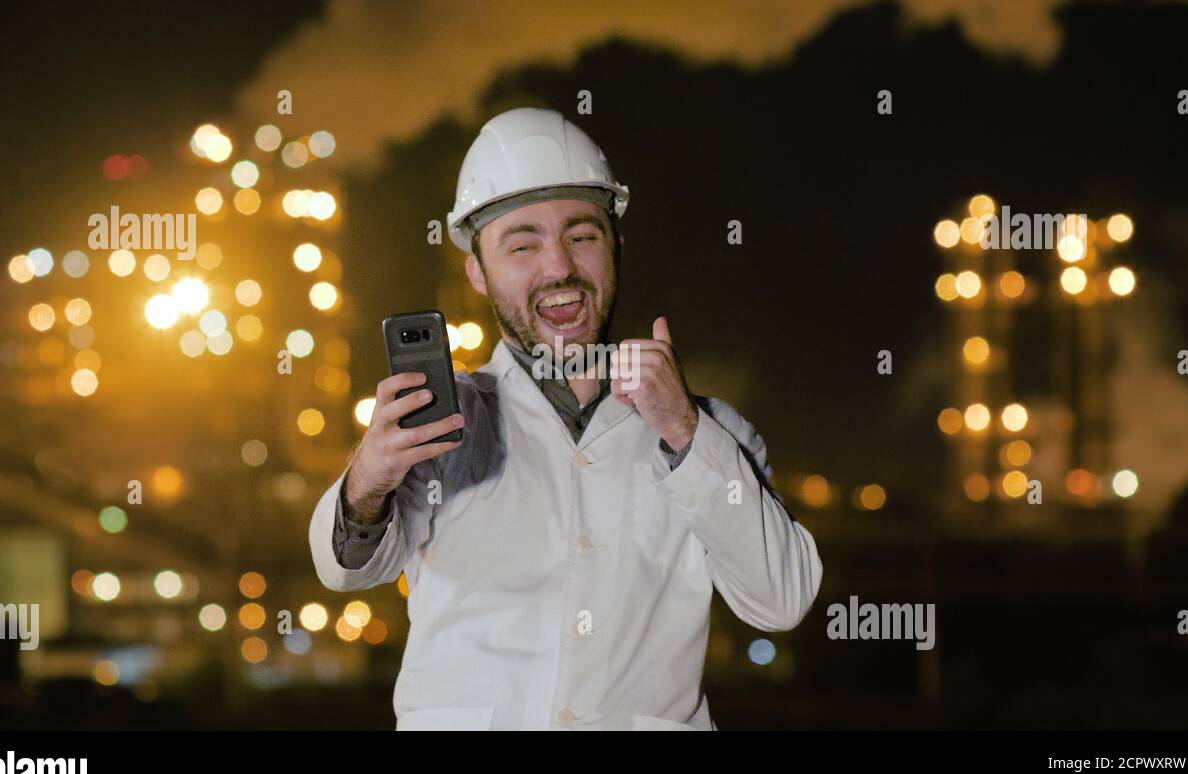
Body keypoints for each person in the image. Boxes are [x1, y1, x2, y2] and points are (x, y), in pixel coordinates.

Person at [308, 107, 822, 730]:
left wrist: (685, 434)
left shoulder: (711, 431)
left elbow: (782, 600)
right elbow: (348, 569)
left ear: (616, 246)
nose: (559, 268)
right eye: (522, 244)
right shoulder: (438, 426)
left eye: (581, 236)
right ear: (477, 268)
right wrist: (367, 481)